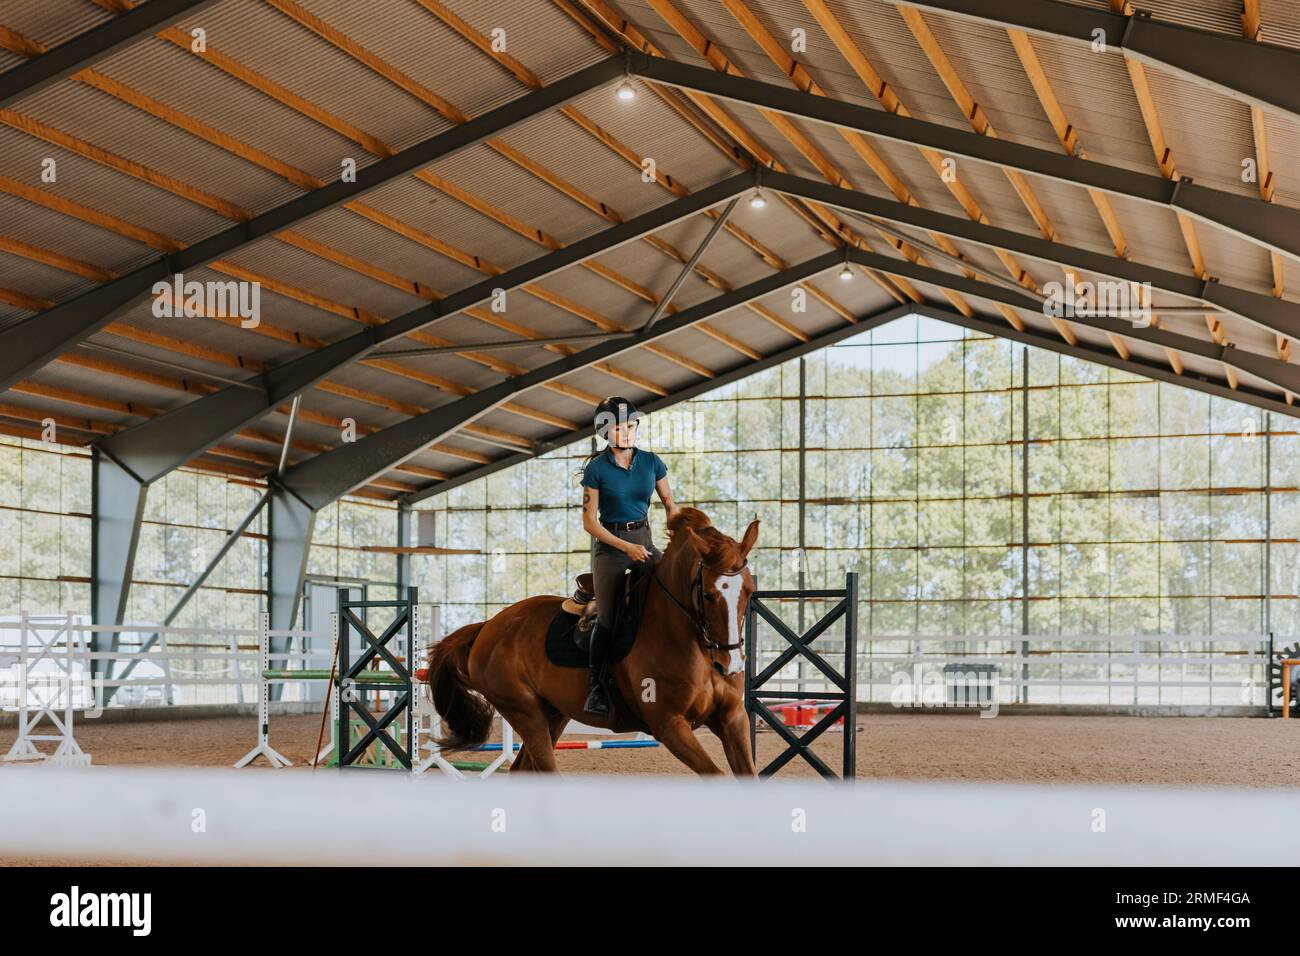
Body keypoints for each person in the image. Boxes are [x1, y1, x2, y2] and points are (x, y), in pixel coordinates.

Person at [578, 396, 678, 716]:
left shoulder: (652, 462)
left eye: (632, 425)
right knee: (606, 618)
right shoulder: (596, 469)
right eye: (621, 428)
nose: (629, 432)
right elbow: (589, 522)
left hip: (644, 540)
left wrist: (678, 534)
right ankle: (596, 687)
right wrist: (626, 548)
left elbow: (670, 504)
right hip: (610, 547)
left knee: (676, 592)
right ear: (606, 432)